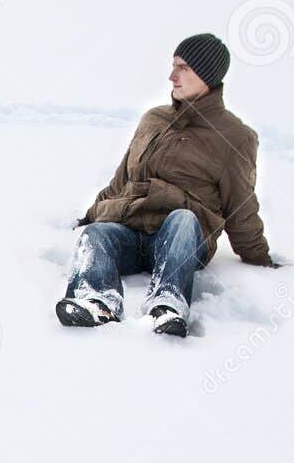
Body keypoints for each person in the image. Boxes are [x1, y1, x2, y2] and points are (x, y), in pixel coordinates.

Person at [57, 34, 278, 338]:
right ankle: (97, 301)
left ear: (207, 75)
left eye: (183, 67)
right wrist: (91, 215)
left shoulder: (235, 136)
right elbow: (122, 180)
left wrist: (258, 256)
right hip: (134, 231)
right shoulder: (154, 119)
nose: (172, 76)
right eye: (173, 65)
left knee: (183, 219)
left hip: (184, 240)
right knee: (96, 234)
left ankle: (168, 306)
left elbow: (241, 204)